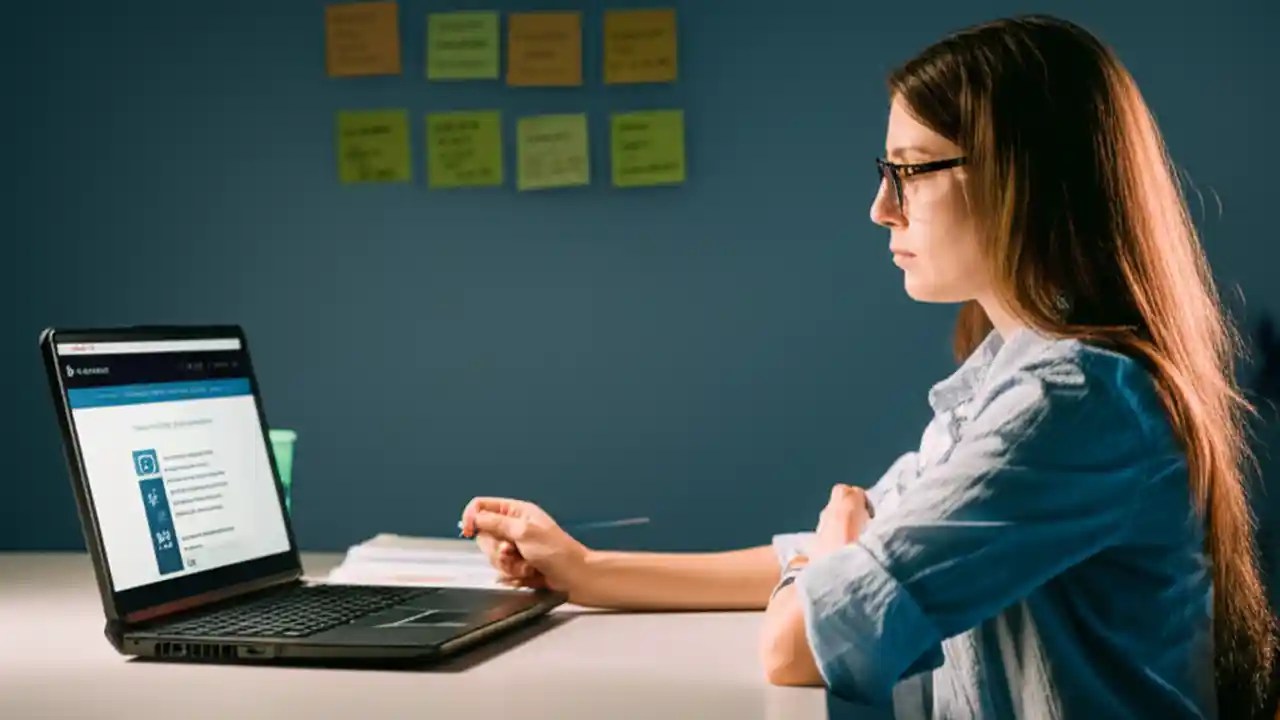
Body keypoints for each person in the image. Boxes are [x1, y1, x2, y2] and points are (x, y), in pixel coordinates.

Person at [458, 14, 1276, 719]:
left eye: (911, 171)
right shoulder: (1017, 379)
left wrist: (833, 560)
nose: (882, 206)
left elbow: (798, 643)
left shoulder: (1071, 400)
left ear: (1022, 176)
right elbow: (847, 555)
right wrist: (589, 570)